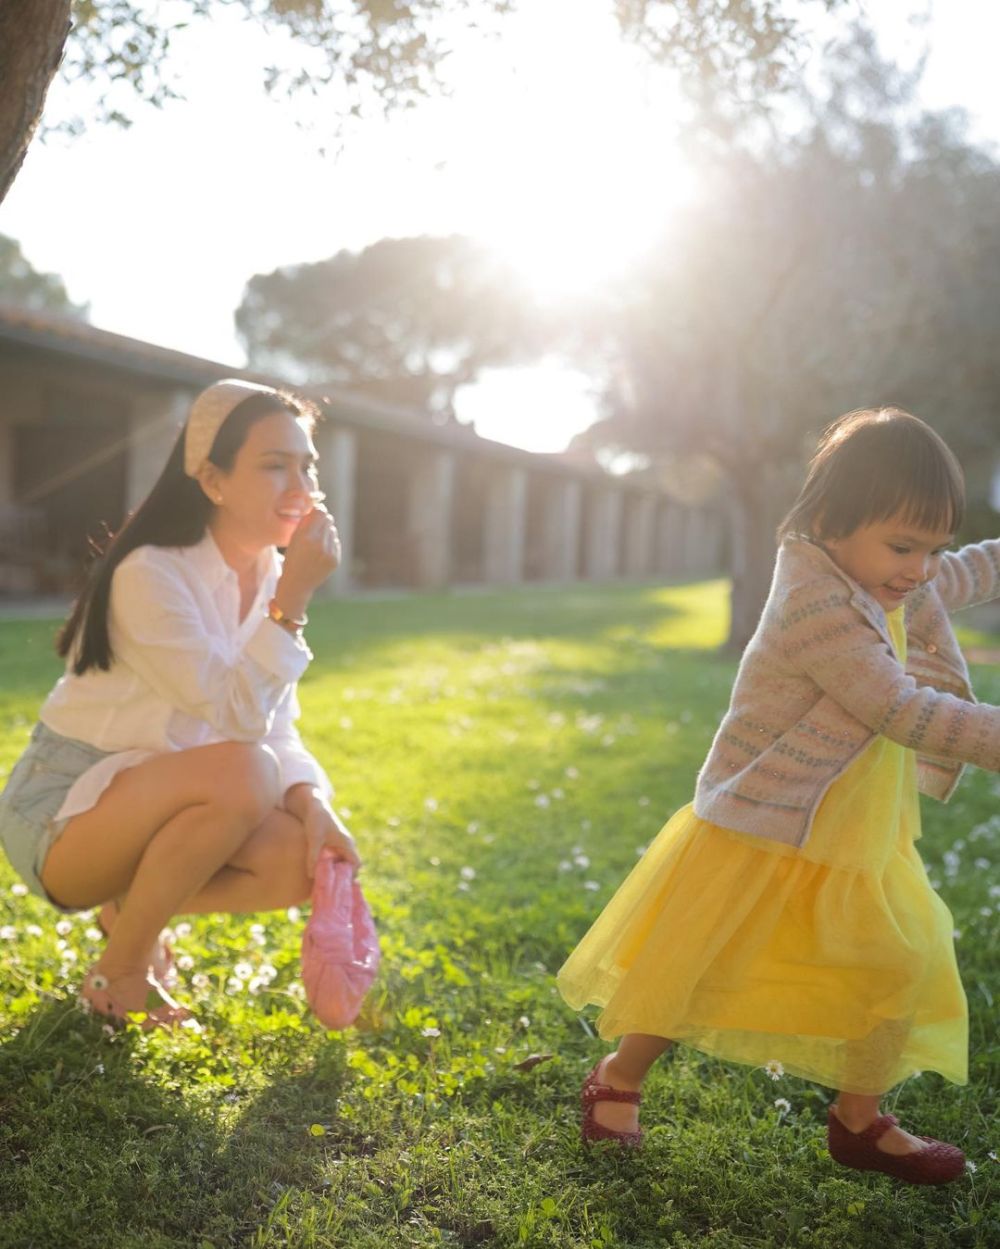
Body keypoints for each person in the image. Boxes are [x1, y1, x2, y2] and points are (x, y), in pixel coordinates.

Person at [557, 407, 1000, 1185]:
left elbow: (961, 573)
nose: (921, 568)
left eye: (931, 546)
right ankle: (619, 1075)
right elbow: (900, 708)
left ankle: (859, 1120)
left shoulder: (886, 573)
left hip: (853, 825)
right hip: (765, 820)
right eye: (905, 546)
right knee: (698, 965)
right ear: (832, 521)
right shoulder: (816, 603)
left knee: (900, 959)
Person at [0, 378, 360, 1030]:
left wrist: (314, 805)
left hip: (158, 800)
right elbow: (237, 719)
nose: (301, 486)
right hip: (61, 813)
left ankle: (127, 910)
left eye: (307, 466)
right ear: (212, 479)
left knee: (296, 859)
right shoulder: (151, 572)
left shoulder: (271, 575)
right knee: (246, 771)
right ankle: (120, 972)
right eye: (274, 465)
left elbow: (275, 726)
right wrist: (293, 604)